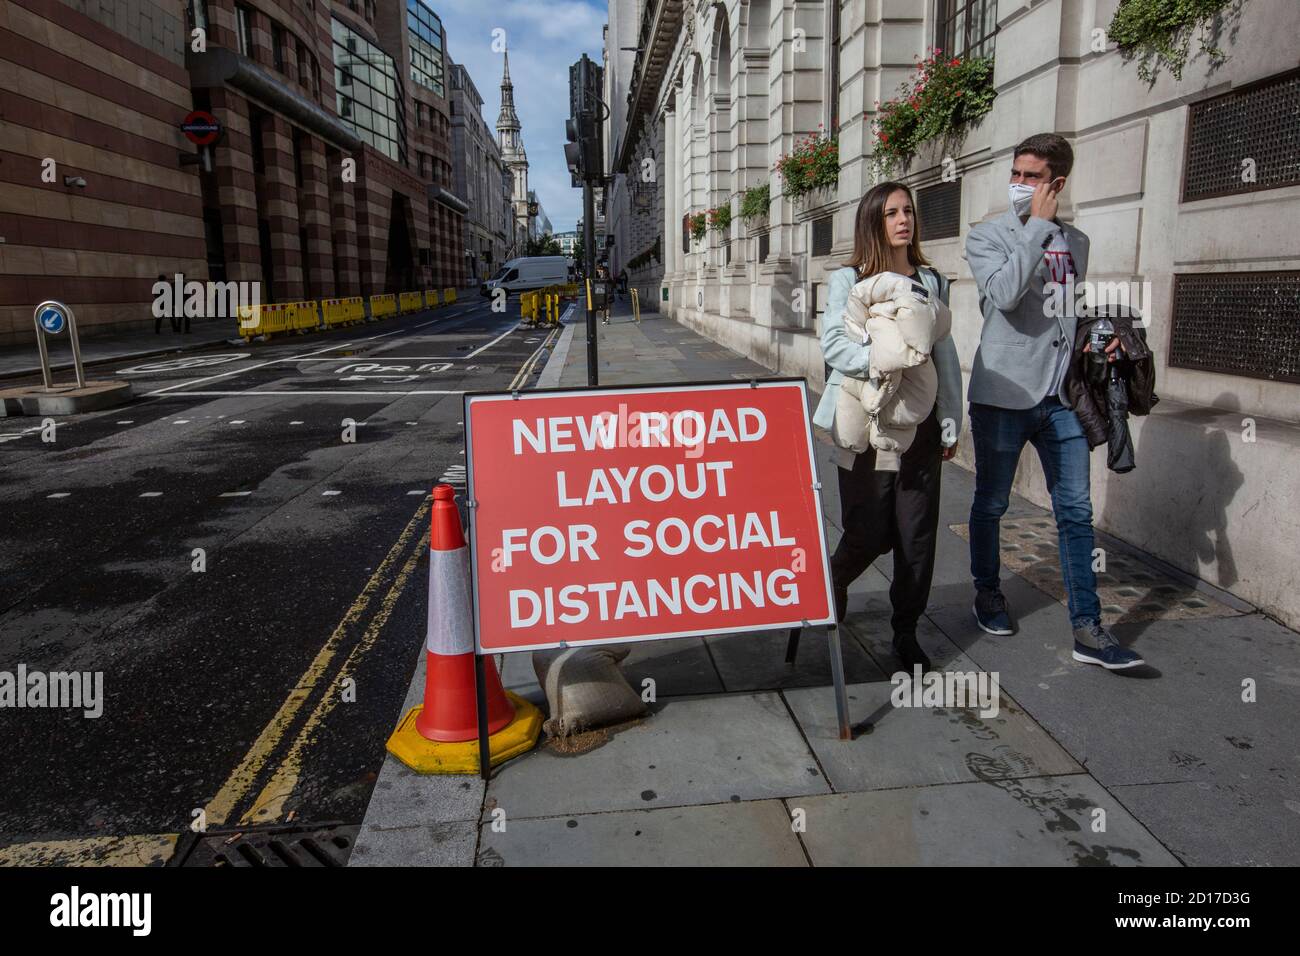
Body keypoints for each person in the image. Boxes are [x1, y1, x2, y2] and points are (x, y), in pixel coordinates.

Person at [964, 132, 1144, 670]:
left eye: (1032, 176)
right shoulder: (987, 237)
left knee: (1075, 511)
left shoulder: (1079, 243)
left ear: (1057, 183)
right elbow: (1005, 295)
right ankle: (988, 591)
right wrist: (1037, 228)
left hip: (1062, 396)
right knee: (992, 502)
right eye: (1015, 174)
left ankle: (1088, 629)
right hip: (1003, 395)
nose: (1019, 184)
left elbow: (1065, 314)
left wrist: (1100, 334)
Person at [812, 181, 962, 673]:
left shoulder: (932, 281)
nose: (904, 220)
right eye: (892, 213)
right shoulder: (848, 279)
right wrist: (887, 363)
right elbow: (834, 346)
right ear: (874, 222)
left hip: (918, 424)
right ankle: (826, 588)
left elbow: (943, 352)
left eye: (908, 212)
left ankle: (906, 631)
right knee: (868, 531)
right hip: (865, 422)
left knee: (917, 535)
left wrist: (951, 418)